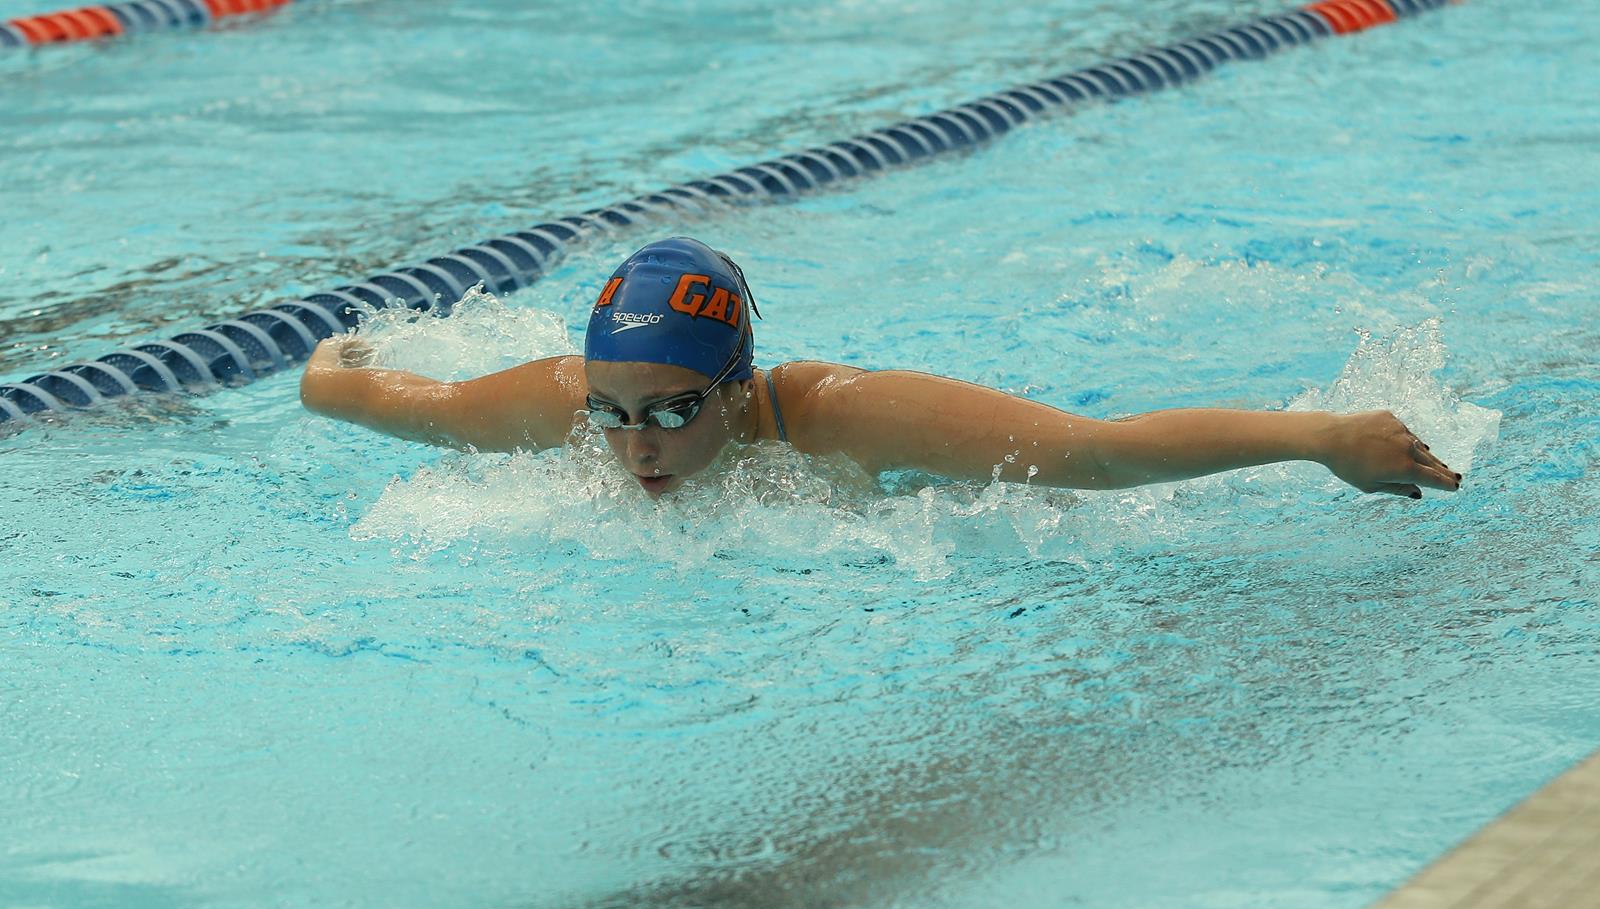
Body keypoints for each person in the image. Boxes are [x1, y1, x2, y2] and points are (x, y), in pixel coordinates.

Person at [300, 236, 1461, 501]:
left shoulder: (841, 419)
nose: (633, 443)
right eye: (611, 413)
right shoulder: (568, 407)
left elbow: (1093, 452)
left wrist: (1317, 440)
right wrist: (334, 363)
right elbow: (372, 397)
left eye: (669, 409)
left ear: (738, 385)